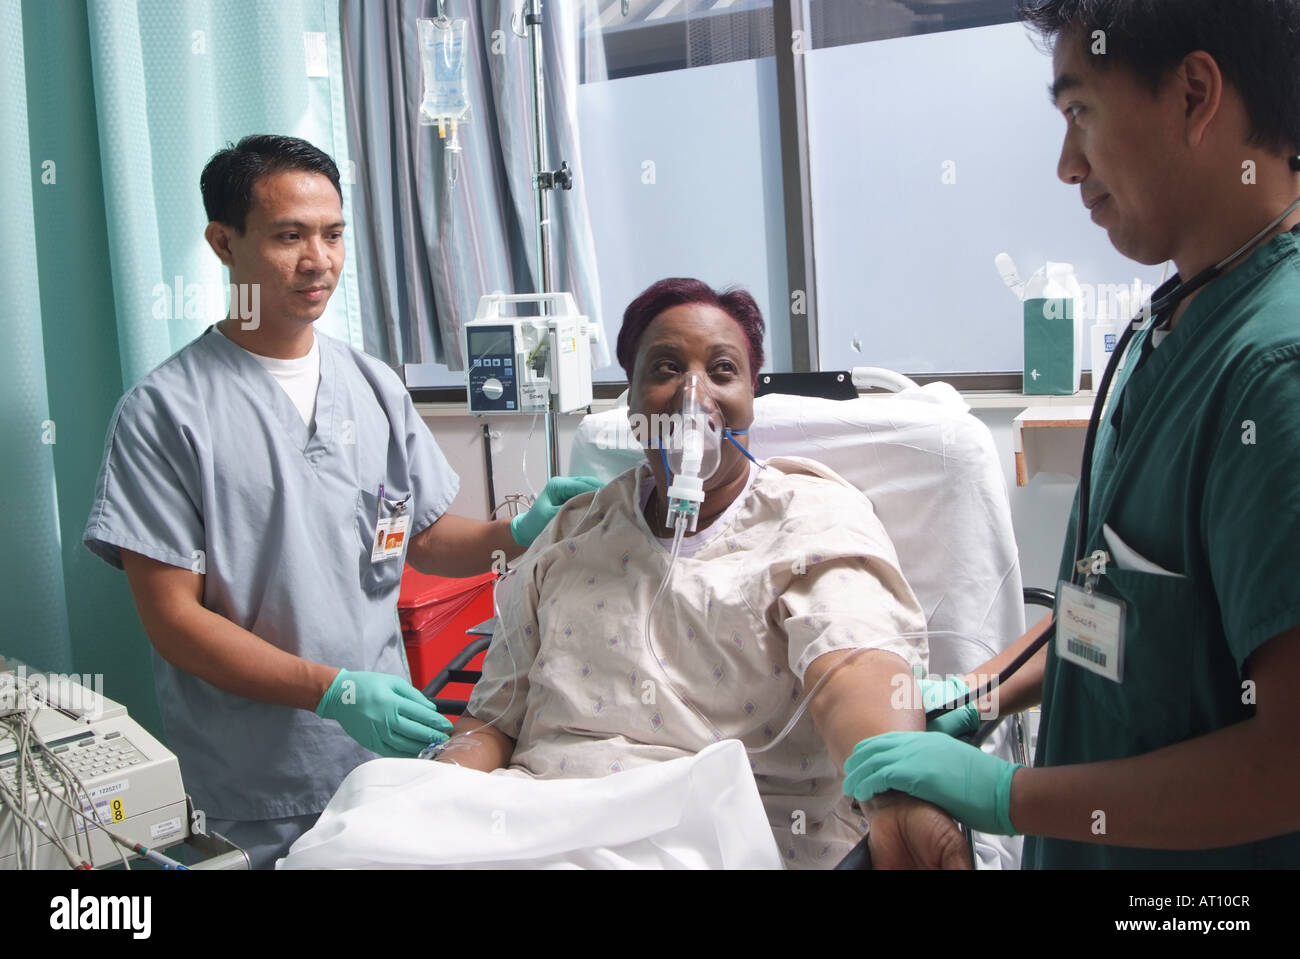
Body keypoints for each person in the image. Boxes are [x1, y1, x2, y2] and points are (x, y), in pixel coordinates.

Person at [844, 0, 1300, 867]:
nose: (1065, 164)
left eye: (1080, 111)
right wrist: (982, 690)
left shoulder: (1275, 373)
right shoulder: (1167, 324)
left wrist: (1005, 797)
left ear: (1195, 94)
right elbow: (1120, 612)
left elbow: (1288, 762)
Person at [83, 134, 600, 868]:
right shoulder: (165, 413)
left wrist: (518, 530)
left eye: (332, 234)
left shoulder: (374, 386)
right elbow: (173, 620)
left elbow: (420, 537)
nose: (318, 259)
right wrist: (332, 692)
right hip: (253, 782)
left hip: (388, 765)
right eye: (289, 235)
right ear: (223, 243)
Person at [427, 277, 972, 869]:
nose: (694, 395)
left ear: (750, 398)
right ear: (631, 402)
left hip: (724, 839)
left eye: (721, 370)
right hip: (538, 829)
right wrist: (434, 800)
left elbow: (853, 662)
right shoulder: (573, 532)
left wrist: (891, 793)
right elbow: (492, 719)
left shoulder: (810, 519)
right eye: (664, 368)